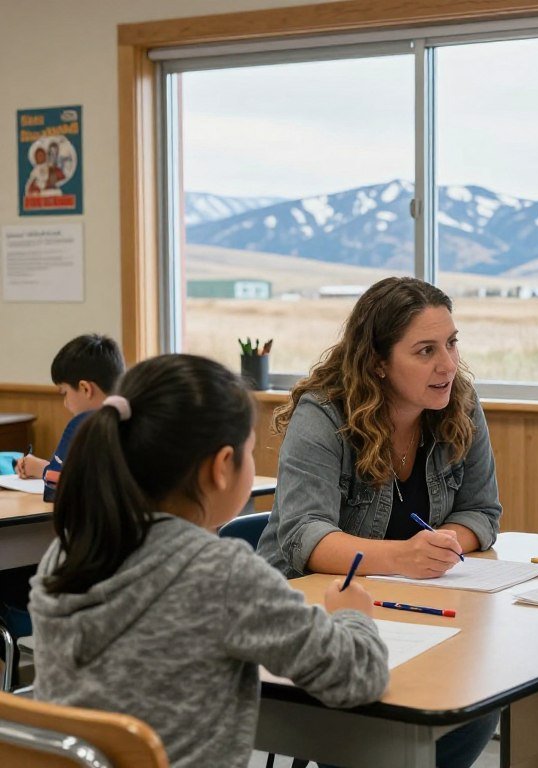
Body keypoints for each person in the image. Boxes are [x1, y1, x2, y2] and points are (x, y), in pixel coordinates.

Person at [28, 354, 389, 768]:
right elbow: (357, 676)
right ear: (221, 467)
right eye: (250, 452)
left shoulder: (66, 553)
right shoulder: (220, 573)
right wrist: (354, 617)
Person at [256, 276, 501, 768]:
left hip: (412, 600)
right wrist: (406, 558)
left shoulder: (461, 403)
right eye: (425, 350)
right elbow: (305, 535)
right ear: (378, 362)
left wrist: (451, 540)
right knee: (380, 709)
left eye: (452, 344)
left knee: (478, 699)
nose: (448, 364)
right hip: (312, 598)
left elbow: (483, 510)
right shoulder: (324, 413)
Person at [16, 333, 125, 485]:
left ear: (85, 388)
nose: (65, 404)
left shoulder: (84, 424)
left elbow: (57, 486)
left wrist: (44, 470)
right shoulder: (137, 419)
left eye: (64, 393)